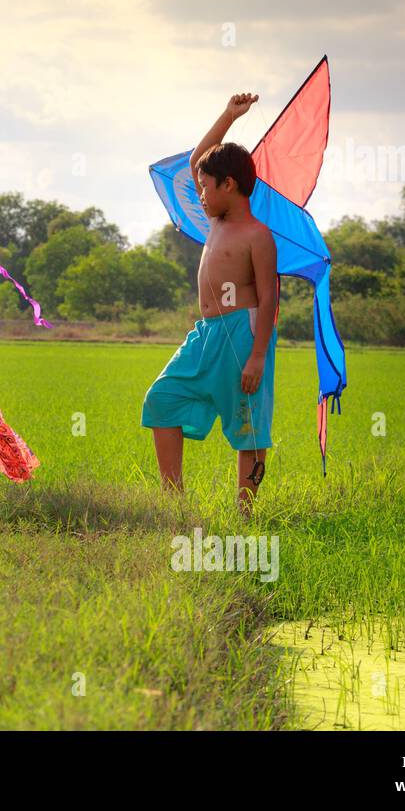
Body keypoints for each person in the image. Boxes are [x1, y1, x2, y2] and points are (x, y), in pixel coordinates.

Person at [141, 92, 277, 516]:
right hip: (206, 335)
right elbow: (200, 157)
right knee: (161, 400)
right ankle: (173, 502)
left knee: (249, 427)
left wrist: (256, 357)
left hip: (243, 332)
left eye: (205, 186)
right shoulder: (214, 219)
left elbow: (271, 295)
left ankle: (245, 512)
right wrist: (228, 117)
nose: (199, 193)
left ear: (229, 185)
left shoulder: (257, 235)